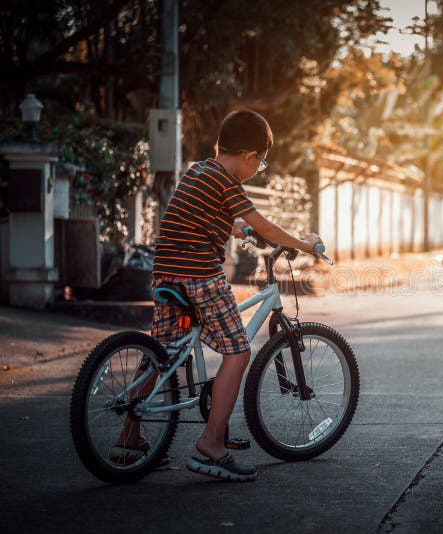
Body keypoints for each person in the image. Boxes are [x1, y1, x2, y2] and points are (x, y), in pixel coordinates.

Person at [111, 109, 321, 481]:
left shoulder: (200, 171)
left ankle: (129, 438)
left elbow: (228, 218)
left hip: (167, 273)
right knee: (238, 352)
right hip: (198, 275)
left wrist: (237, 228)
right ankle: (211, 444)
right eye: (263, 161)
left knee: (166, 354)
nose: (260, 167)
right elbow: (263, 224)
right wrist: (304, 244)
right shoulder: (227, 183)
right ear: (250, 157)